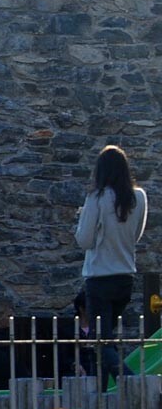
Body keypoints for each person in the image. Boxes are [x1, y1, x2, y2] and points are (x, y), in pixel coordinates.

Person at [77, 145, 147, 358]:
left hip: (99, 277)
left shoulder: (97, 197)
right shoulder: (139, 197)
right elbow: (135, 236)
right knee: (106, 339)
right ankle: (103, 387)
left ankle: (129, 381)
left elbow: (84, 240)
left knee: (100, 341)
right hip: (124, 276)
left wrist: (82, 218)